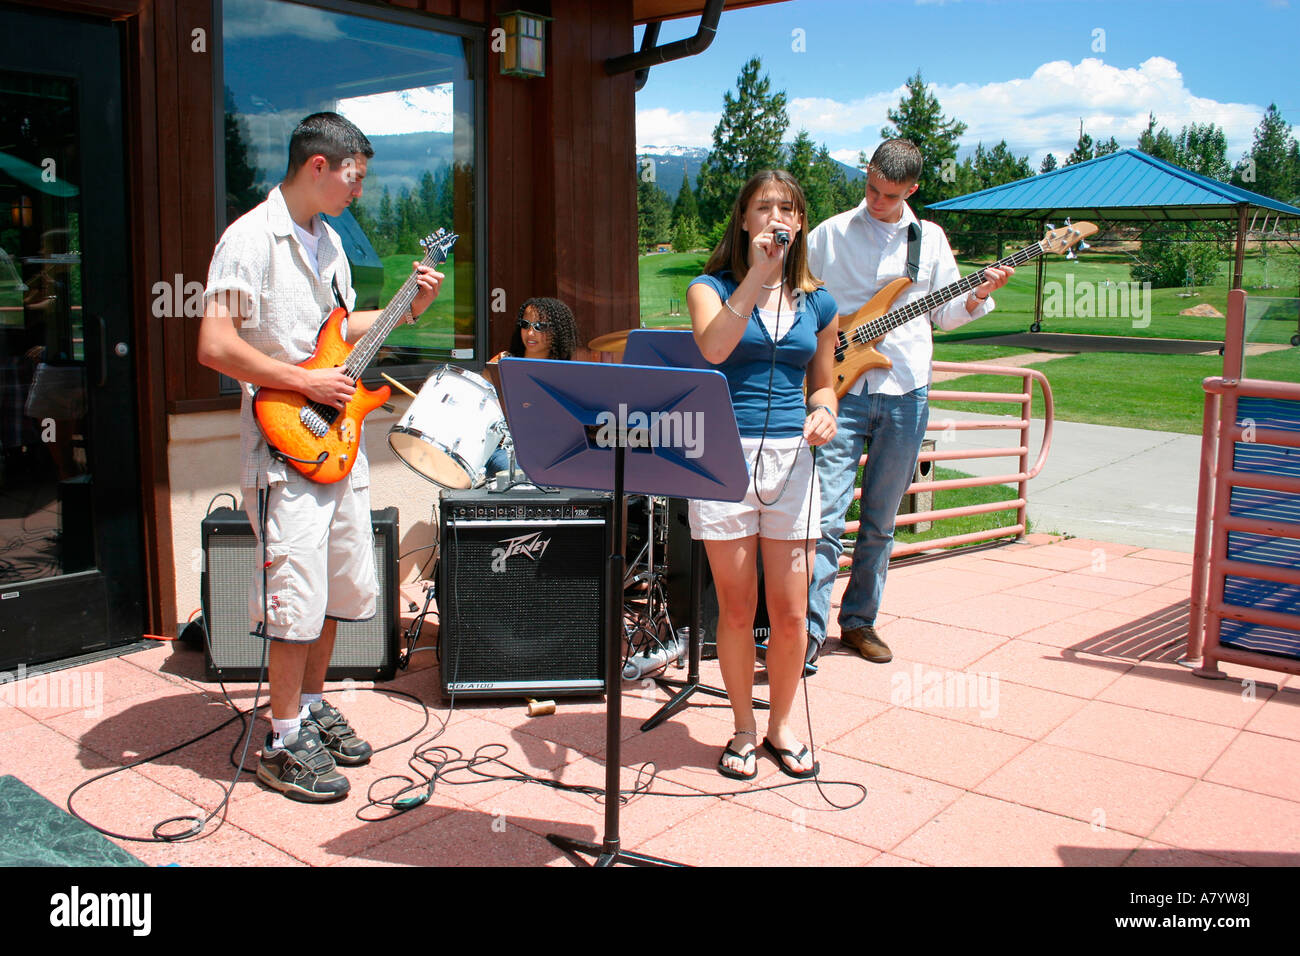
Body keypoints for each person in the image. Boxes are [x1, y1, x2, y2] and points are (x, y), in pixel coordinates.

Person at [198, 112, 442, 801]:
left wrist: (408, 308)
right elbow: (214, 345)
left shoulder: (329, 241)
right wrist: (302, 382)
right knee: (293, 599)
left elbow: (337, 335)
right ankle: (278, 740)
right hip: (284, 444)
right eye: (353, 176)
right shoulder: (248, 240)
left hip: (338, 444)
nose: (358, 191)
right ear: (318, 167)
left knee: (335, 590)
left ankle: (306, 707)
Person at [806, 139, 1012, 665]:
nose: (877, 200)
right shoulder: (829, 234)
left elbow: (945, 315)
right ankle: (804, 633)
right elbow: (797, 298)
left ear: (912, 189)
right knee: (825, 517)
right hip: (839, 392)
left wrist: (980, 294)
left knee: (880, 520)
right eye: (872, 188)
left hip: (906, 393)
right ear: (867, 172)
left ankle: (859, 623)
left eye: (889, 194)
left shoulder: (932, 240)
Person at [686, 170, 839, 780]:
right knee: (736, 606)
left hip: (792, 459)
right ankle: (742, 729)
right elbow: (715, 349)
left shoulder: (819, 300)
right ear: (745, 220)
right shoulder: (709, 287)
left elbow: (823, 380)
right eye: (763, 207)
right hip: (724, 453)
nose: (776, 216)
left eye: (787, 208)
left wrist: (824, 409)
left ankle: (781, 725)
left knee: (791, 608)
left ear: (799, 222)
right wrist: (756, 276)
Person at [485, 297, 579, 478]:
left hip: (549, 451)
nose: (530, 333)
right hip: (507, 449)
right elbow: (482, 403)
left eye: (539, 327)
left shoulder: (567, 373)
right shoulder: (502, 362)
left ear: (557, 331)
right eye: (526, 324)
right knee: (522, 475)